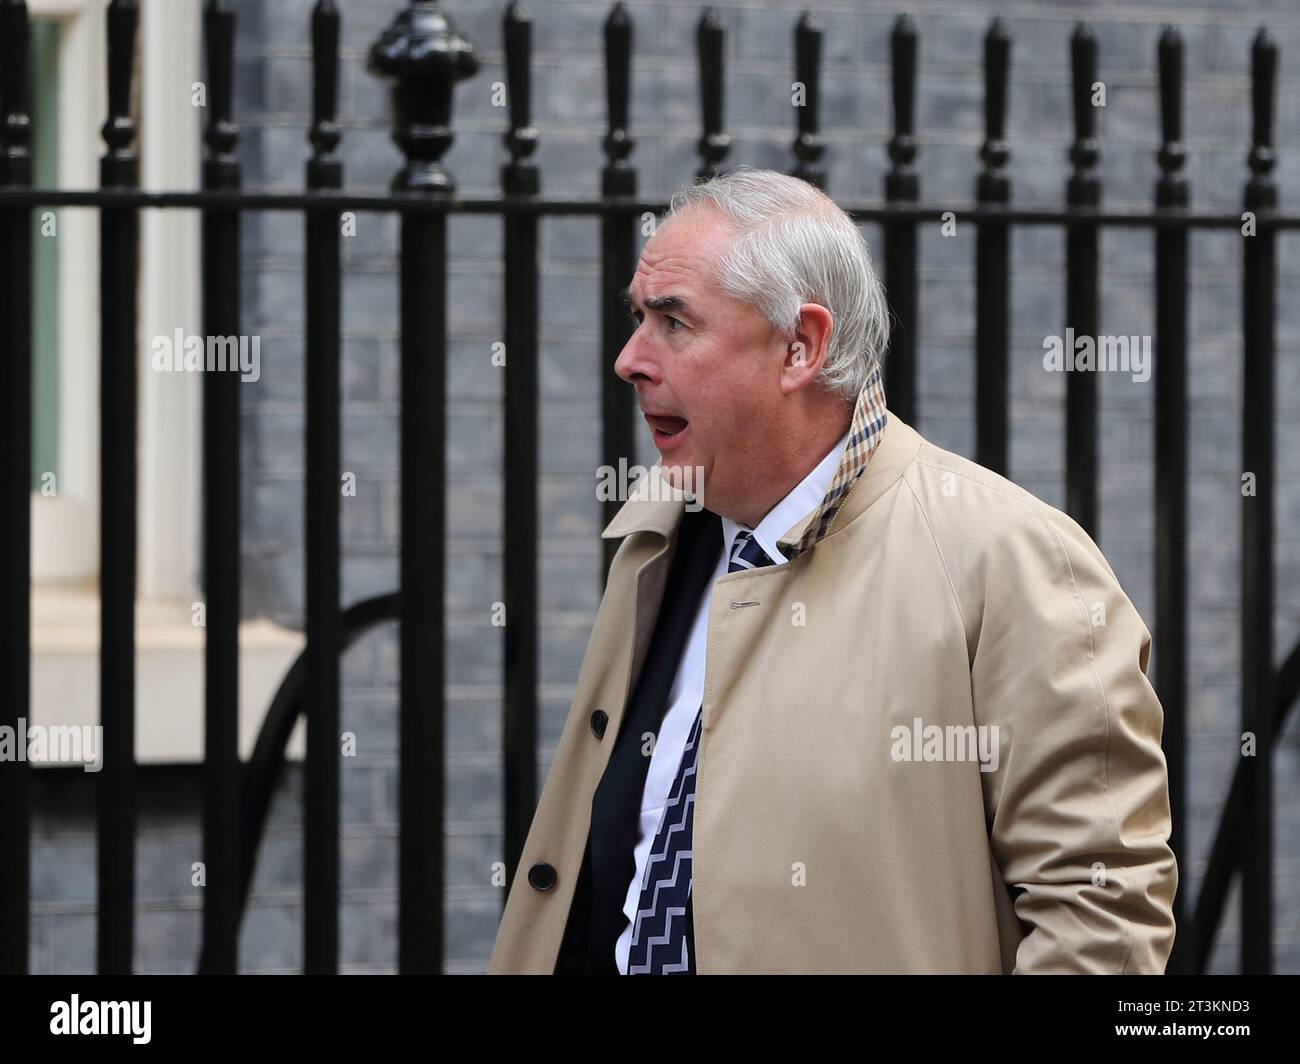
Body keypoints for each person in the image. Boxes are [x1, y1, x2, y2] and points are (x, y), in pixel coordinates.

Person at [487, 167, 1177, 974]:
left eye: (673, 322)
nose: (629, 359)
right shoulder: (664, 532)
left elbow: (1102, 920)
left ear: (800, 348)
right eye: (638, 317)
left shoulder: (1015, 562)